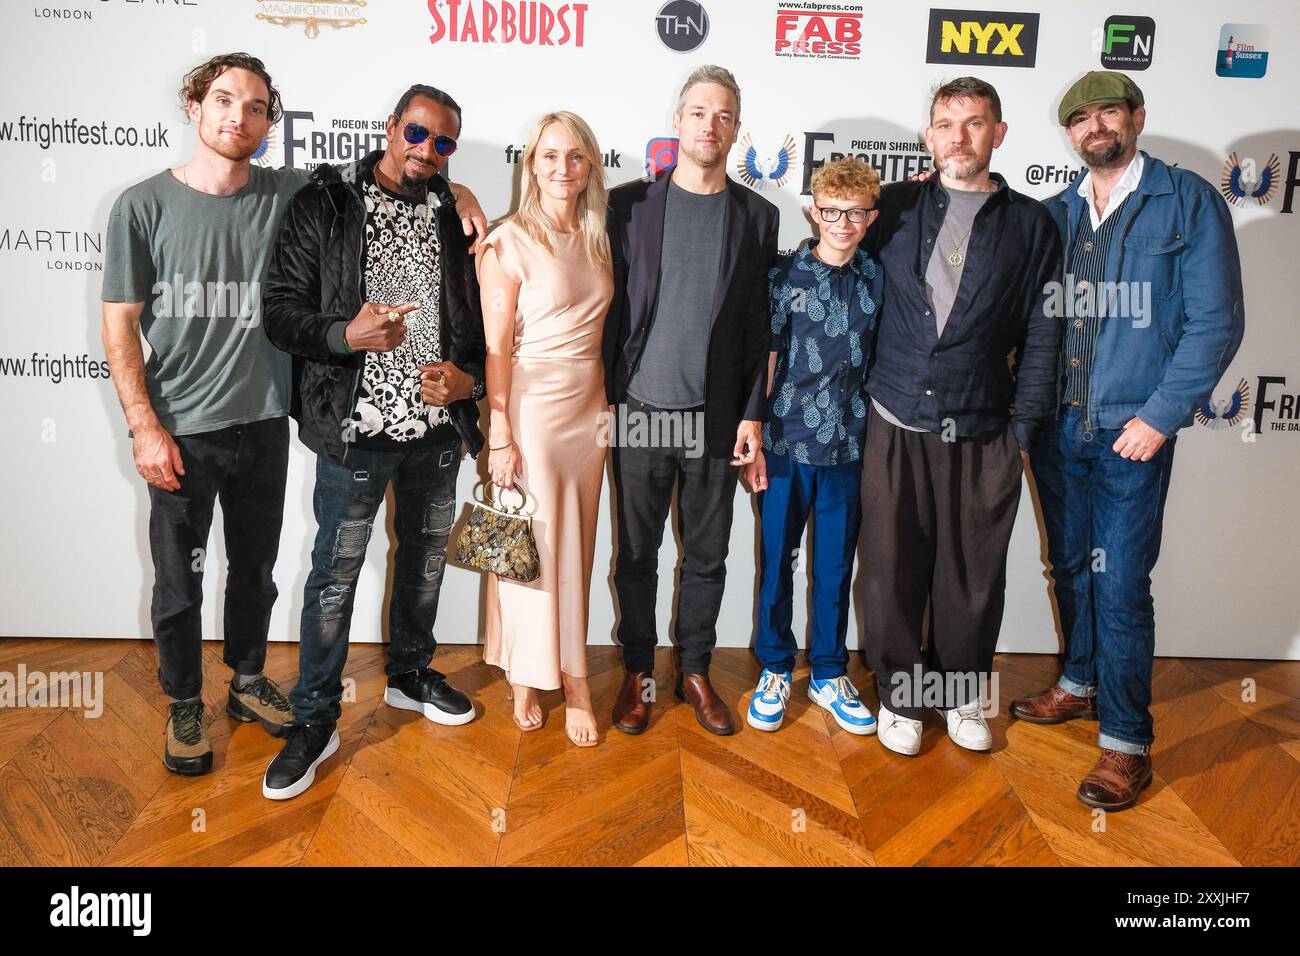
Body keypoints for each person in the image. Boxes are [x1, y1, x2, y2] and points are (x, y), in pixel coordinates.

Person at [1011, 72, 1244, 811]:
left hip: (1130, 432)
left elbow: (1215, 322)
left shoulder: (1188, 200)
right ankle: (1079, 684)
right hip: (1059, 426)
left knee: (1118, 584)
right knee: (1071, 566)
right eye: (1080, 119)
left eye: (1108, 112)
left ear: (1136, 118)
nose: (1095, 127)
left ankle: (1125, 743)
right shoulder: (1054, 215)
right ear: (1070, 134)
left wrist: (1160, 416)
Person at [260, 84, 487, 800]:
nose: (428, 150)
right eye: (418, 133)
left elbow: (485, 319)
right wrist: (343, 336)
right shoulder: (325, 202)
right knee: (335, 580)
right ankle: (315, 719)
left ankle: (410, 674)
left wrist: (470, 381)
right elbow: (279, 312)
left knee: (424, 566)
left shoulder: (457, 214)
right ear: (392, 127)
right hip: (355, 430)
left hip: (436, 433)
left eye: (444, 142)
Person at [102, 53, 303, 775]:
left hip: (266, 424)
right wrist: (144, 426)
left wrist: (462, 190)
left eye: (254, 108)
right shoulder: (142, 205)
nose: (237, 118)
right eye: (223, 101)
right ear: (195, 106)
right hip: (181, 431)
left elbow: (381, 181)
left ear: (268, 123)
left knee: (256, 569)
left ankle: (247, 682)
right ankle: (185, 702)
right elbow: (120, 323)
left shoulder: (288, 193)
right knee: (180, 583)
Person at [860, 77, 1062, 756]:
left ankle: (962, 695)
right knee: (890, 569)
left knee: (971, 575)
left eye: (974, 123)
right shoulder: (890, 208)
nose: (959, 136)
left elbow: (1043, 329)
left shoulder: (1033, 225)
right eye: (946, 123)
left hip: (982, 426)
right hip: (892, 415)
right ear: (929, 136)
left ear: (998, 134)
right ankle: (901, 698)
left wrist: (1025, 425)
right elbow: (838, 277)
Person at [603, 65, 779, 736]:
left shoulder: (758, 216)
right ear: (677, 122)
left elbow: (763, 326)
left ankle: (696, 671)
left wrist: (753, 413)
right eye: (700, 112)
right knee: (637, 554)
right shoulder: (628, 206)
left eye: (725, 114)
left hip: (716, 419)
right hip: (640, 412)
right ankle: (640, 672)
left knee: (707, 555)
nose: (711, 124)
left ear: (736, 129)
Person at [477, 112, 614, 747]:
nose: (564, 168)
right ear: (530, 164)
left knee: (574, 550)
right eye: (550, 156)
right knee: (529, 547)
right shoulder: (507, 241)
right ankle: (537, 678)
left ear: (591, 167)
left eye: (577, 156)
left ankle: (562, 668)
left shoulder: (599, 236)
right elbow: (496, 350)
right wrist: (498, 435)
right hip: (531, 409)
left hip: (592, 414)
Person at [745, 157, 883, 735]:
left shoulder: (879, 277)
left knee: (835, 566)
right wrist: (751, 435)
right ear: (813, 211)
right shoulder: (782, 277)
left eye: (854, 214)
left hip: (851, 449)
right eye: (831, 212)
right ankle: (775, 666)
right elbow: (764, 358)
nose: (842, 224)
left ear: (871, 217)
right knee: (776, 562)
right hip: (783, 444)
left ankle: (827, 670)